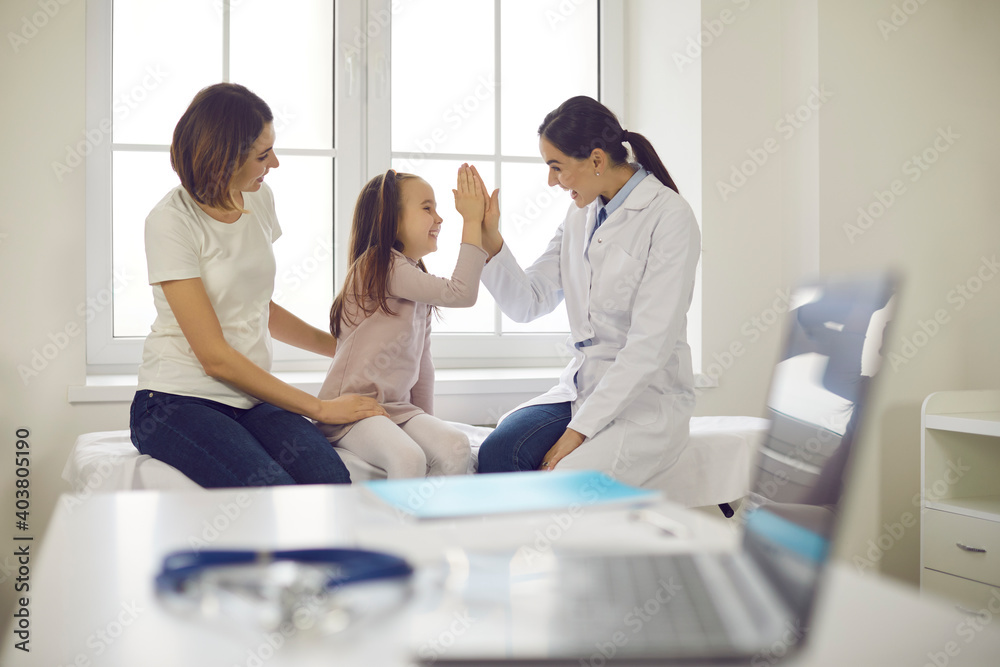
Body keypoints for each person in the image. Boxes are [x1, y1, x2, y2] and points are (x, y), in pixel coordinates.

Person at [129, 83, 386, 488]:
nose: (276, 163)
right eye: (263, 155)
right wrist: (320, 408)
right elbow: (214, 358)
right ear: (223, 159)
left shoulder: (259, 199)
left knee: (329, 479)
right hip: (175, 402)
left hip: (249, 401)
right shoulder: (170, 222)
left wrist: (342, 347)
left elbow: (257, 306)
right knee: (271, 488)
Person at [475, 95, 701, 492]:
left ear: (597, 160)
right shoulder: (580, 215)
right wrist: (491, 240)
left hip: (647, 398)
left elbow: (649, 346)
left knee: (563, 482)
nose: (551, 181)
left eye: (556, 167)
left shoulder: (670, 217)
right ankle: (512, 552)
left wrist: (577, 433)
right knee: (499, 452)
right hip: (583, 383)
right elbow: (529, 302)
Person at [316, 166, 489, 478]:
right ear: (391, 221)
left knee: (456, 446)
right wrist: (472, 221)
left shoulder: (414, 279)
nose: (439, 218)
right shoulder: (377, 266)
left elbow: (422, 366)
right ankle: (397, 528)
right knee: (408, 457)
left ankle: (436, 524)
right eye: (427, 208)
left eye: (436, 208)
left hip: (395, 409)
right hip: (352, 410)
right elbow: (461, 292)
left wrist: (429, 426)